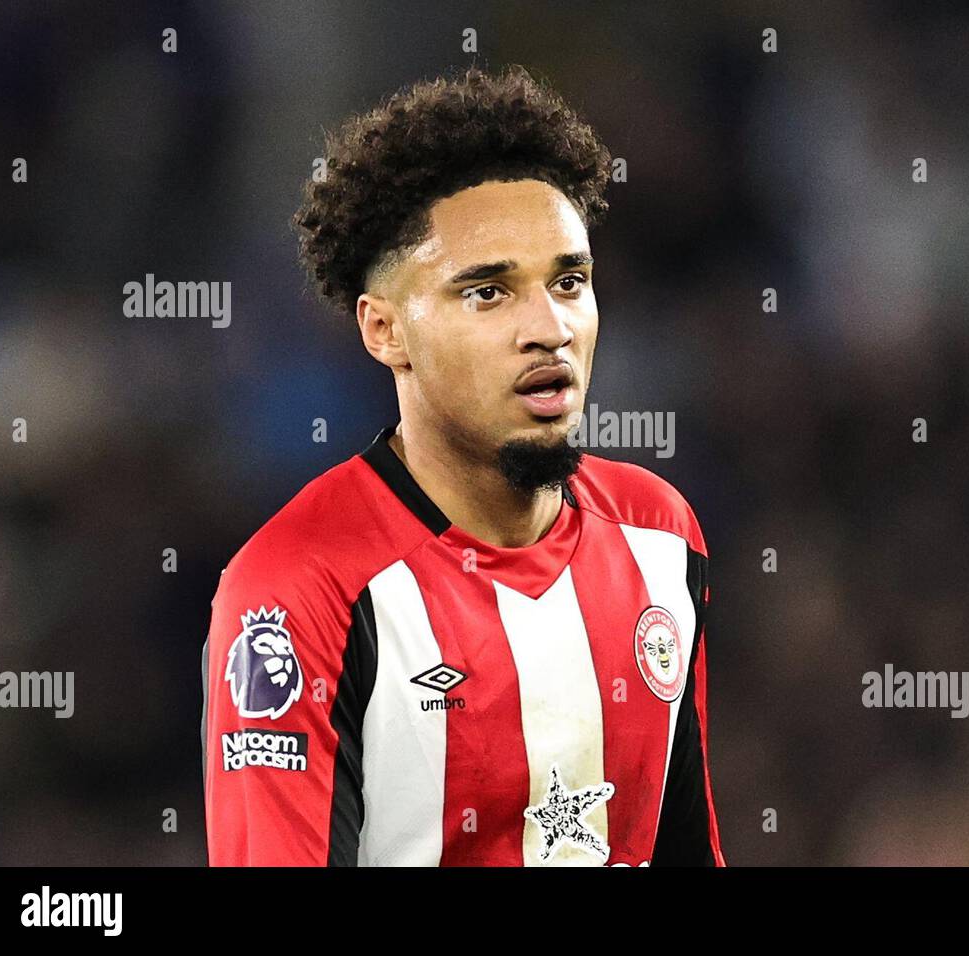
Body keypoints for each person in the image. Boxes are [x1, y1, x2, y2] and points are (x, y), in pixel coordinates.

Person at [201, 65, 724, 866]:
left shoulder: (659, 534)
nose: (548, 327)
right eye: (488, 293)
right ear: (385, 333)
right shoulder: (297, 588)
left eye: (569, 281)